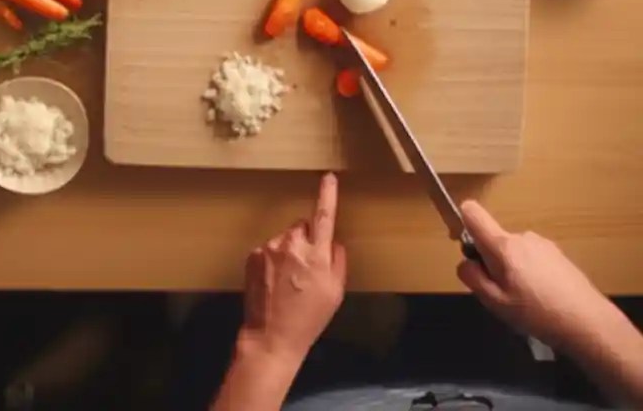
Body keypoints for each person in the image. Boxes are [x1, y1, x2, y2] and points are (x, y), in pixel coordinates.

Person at [208, 174, 643, 410]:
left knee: (207, 327)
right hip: (502, 380)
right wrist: (588, 321)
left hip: (305, 390)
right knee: (461, 320)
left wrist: (268, 350)